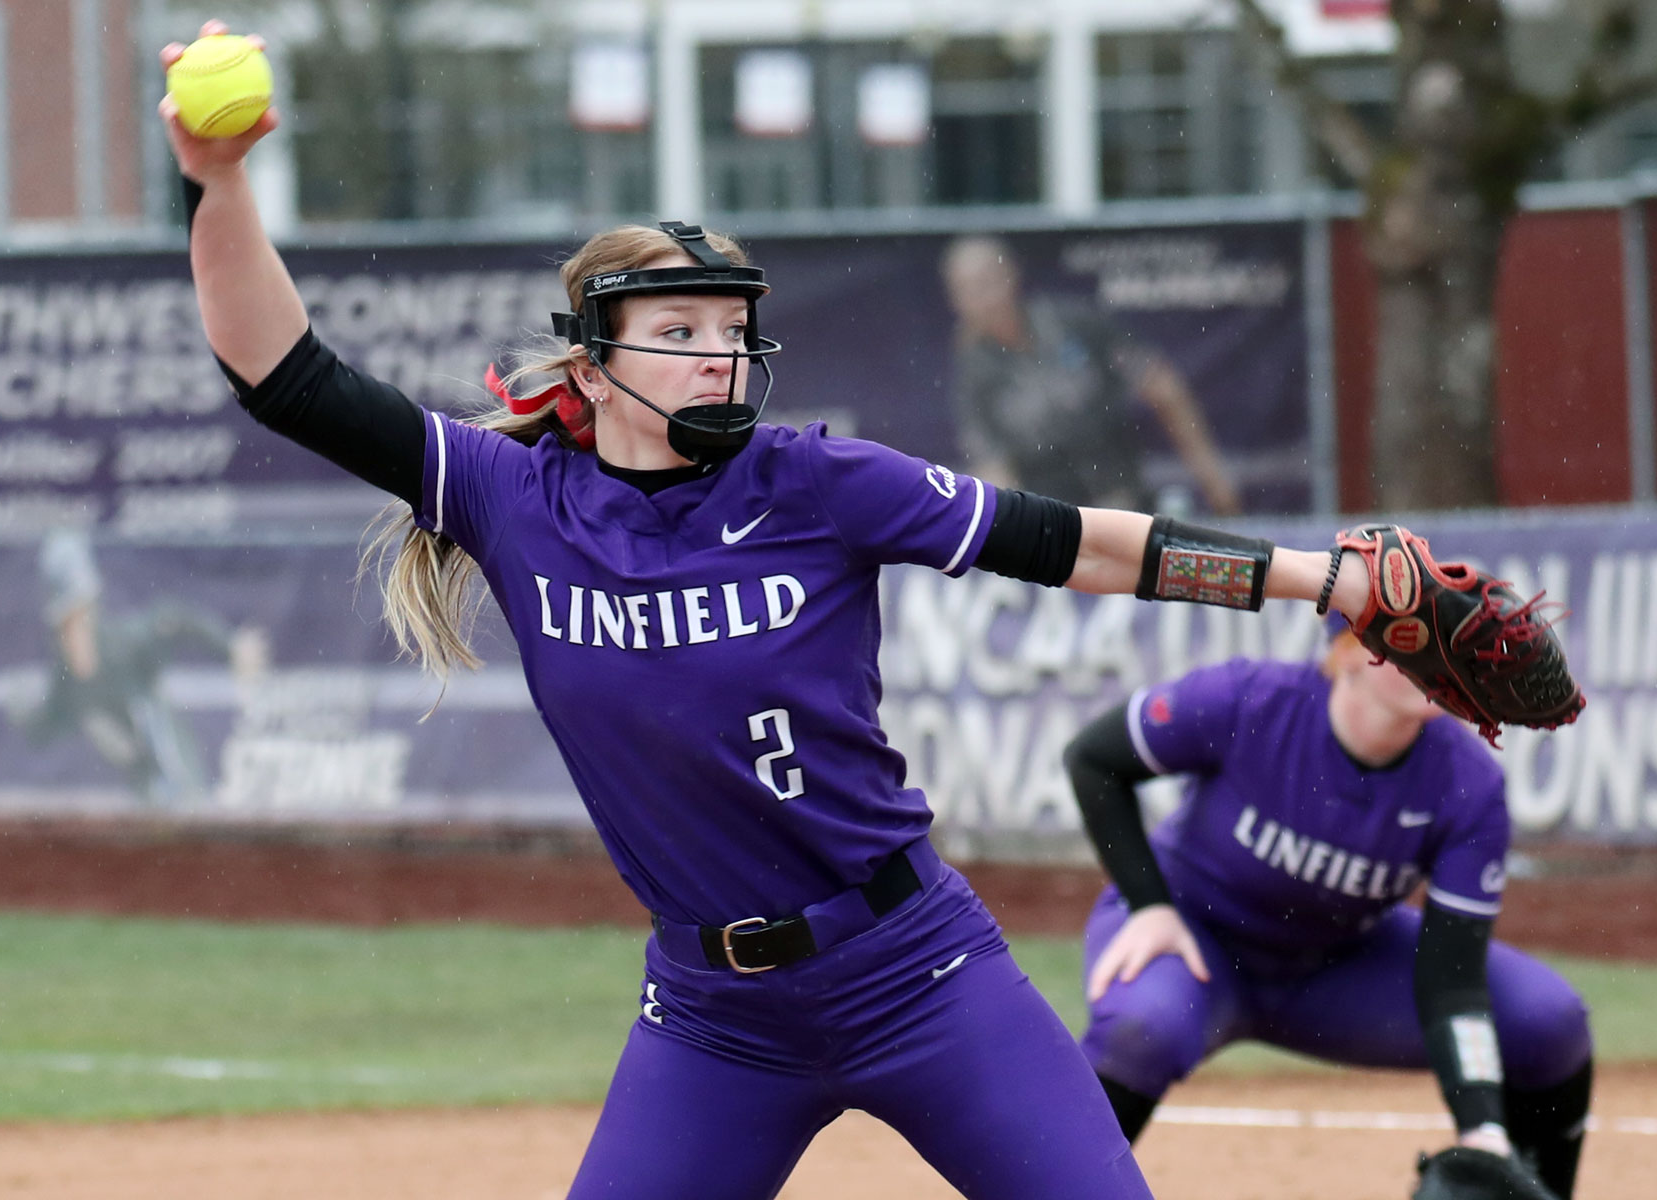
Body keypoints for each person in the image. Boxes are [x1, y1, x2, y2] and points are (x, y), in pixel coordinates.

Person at [159, 22, 1460, 1197]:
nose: (718, 352)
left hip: (916, 971)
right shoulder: (514, 498)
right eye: (679, 329)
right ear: (597, 359)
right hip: (716, 1016)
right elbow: (285, 377)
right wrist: (216, 183)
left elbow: (1075, 546)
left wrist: (1323, 577)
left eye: (730, 328)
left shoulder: (816, 481)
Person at [1064, 612, 1594, 1200]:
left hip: (1340, 965)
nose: (1436, 667)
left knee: (1548, 1020)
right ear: (1344, 654)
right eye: (1409, 647)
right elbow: (1093, 759)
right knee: (1144, 1028)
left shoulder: (1467, 781)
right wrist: (1149, 905)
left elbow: (1454, 978)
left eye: (1444, 651)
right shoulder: (1252, 700)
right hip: (1192, 941)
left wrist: (1483, 1128)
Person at [942, 235, 1242, 517]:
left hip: (1125, 504)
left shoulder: (1073, 324)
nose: (984, 298)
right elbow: (991, 465)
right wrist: (1013, 531)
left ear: (1011, 275)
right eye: (968, 289)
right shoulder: (974, 373)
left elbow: (1161, 385)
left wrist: (1212, 478)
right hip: (1051, 526)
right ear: (955, 300)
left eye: (987, 282)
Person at [10, 527, 266, 806]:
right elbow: (44, 727)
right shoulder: (66, 682)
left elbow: (176, 620)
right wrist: (20, 711)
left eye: (82, 616)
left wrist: (229, 647)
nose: (76, 634)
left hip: (182, 782)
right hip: (146, 796)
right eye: (67, 625)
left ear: (93, 609)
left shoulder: (124, 644)